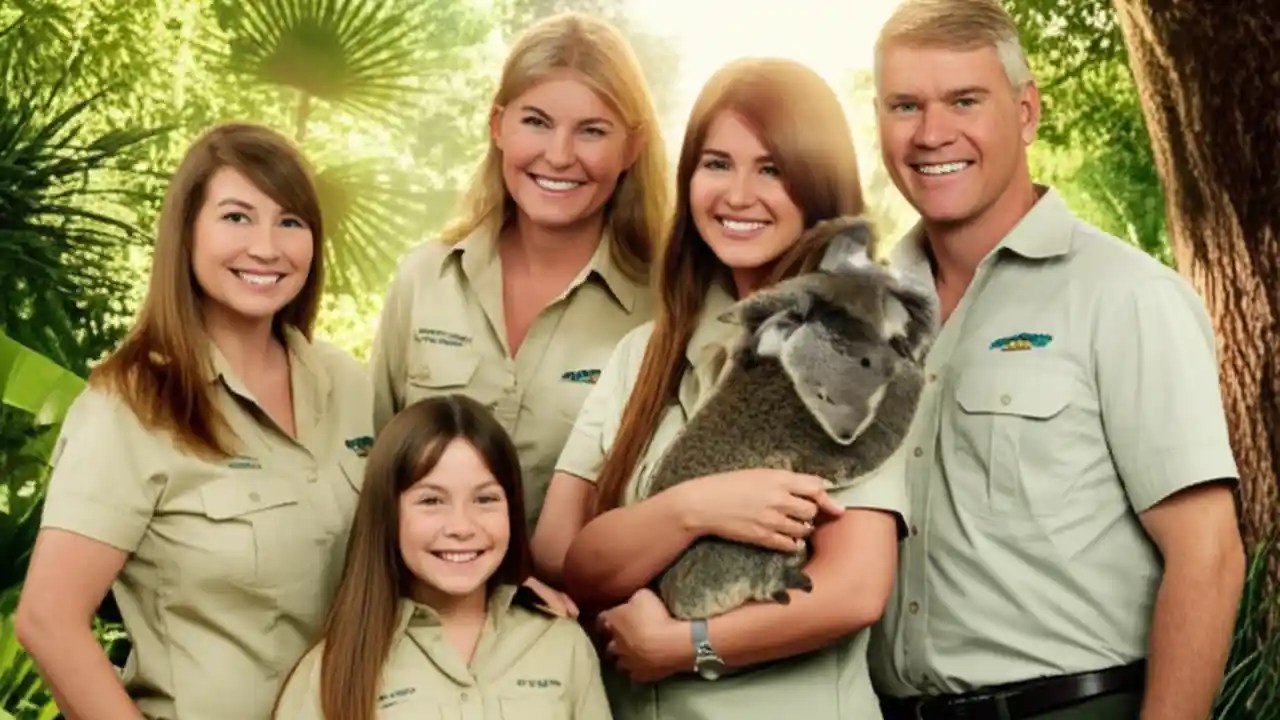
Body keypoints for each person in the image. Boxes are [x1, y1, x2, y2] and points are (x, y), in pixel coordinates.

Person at [865, 2, 1246, 719]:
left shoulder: (1128, 297)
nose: (930, 133)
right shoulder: (867, 314)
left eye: (964, 101)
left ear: (1027, 112)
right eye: (904, 105)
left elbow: (1210, 559)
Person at [534, 57, 909, 720]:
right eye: (716, 163)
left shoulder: (850, 350)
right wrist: (696, 507)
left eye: (771, 169)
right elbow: (566, 557)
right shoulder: (640, 357)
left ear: (818, 189)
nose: (738, 195)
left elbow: (852, 590)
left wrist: (688, 646)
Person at [14, 123, 373, 719]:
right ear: (186, 233)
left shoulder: (347, 384)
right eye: (236, 217)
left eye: (290, 222)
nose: (266, 247)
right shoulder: (131, 406)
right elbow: (48, 620)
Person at [369, 11, 668, 540]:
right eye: (536, 122)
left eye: (592, 131)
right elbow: (372, 474)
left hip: (587, 619)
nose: (558, 156)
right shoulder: (423, 280)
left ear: (633, 147)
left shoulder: (665, 308)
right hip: (422, 617)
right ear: (497, 126)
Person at [272, 394, 611, 720]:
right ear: (388, 513)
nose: (461, 527)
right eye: (432, 501)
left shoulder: (562, 646)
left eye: (485, 499)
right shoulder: (333, 669)